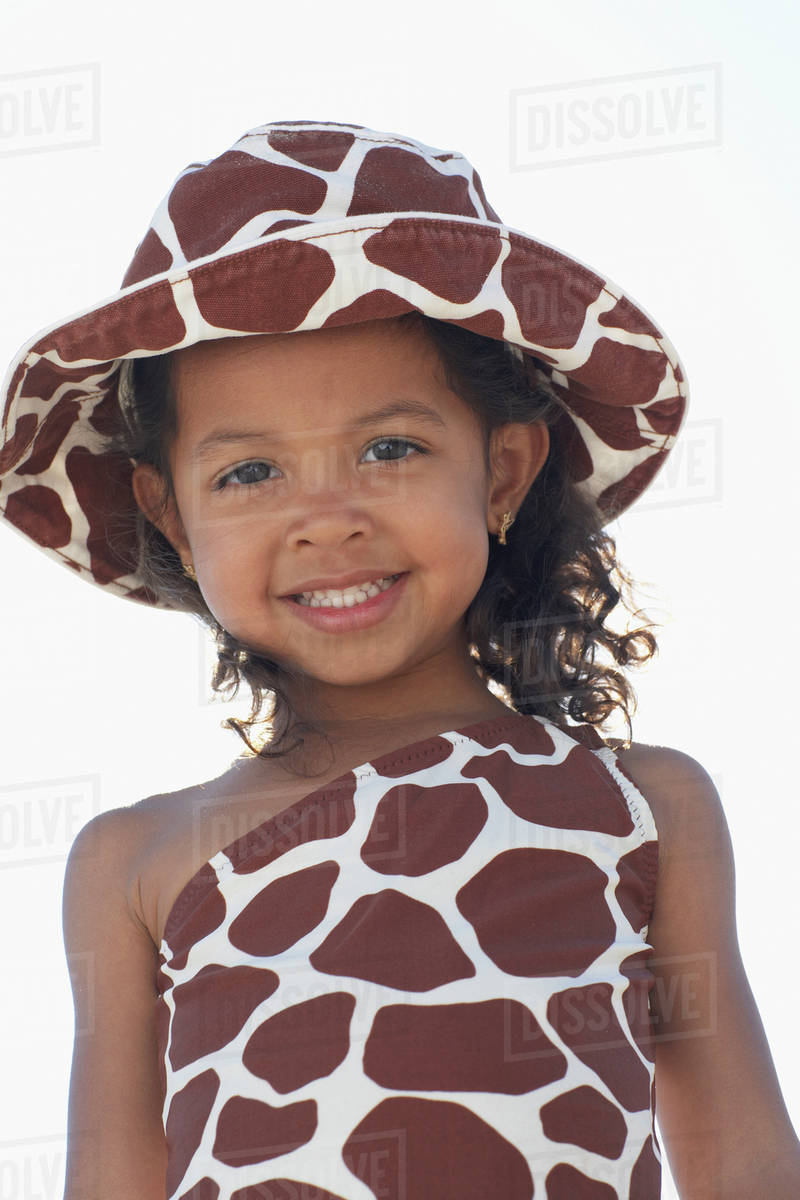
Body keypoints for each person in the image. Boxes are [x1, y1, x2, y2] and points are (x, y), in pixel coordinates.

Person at [2, 119, 798, 1200]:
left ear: (505, 471)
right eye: (247, 474)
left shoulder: (643, 807)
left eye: (390, 449)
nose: (325, 522)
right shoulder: (131, 861)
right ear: (170, 516)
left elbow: (747, 1166)